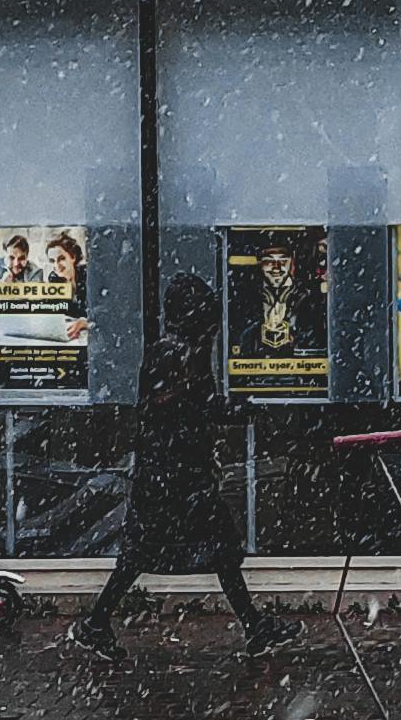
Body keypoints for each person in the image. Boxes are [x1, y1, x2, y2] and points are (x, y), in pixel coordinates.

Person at [71, 273, 295, 660]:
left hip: (170, 474)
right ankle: (96, 623)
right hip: (174, 478)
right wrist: (237, 409)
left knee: (172, 551)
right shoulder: (176, 352)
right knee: (190, 550)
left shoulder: (175, 349)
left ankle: (98, 623)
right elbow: (188, 406)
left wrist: (225, 409)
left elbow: (187, 405)